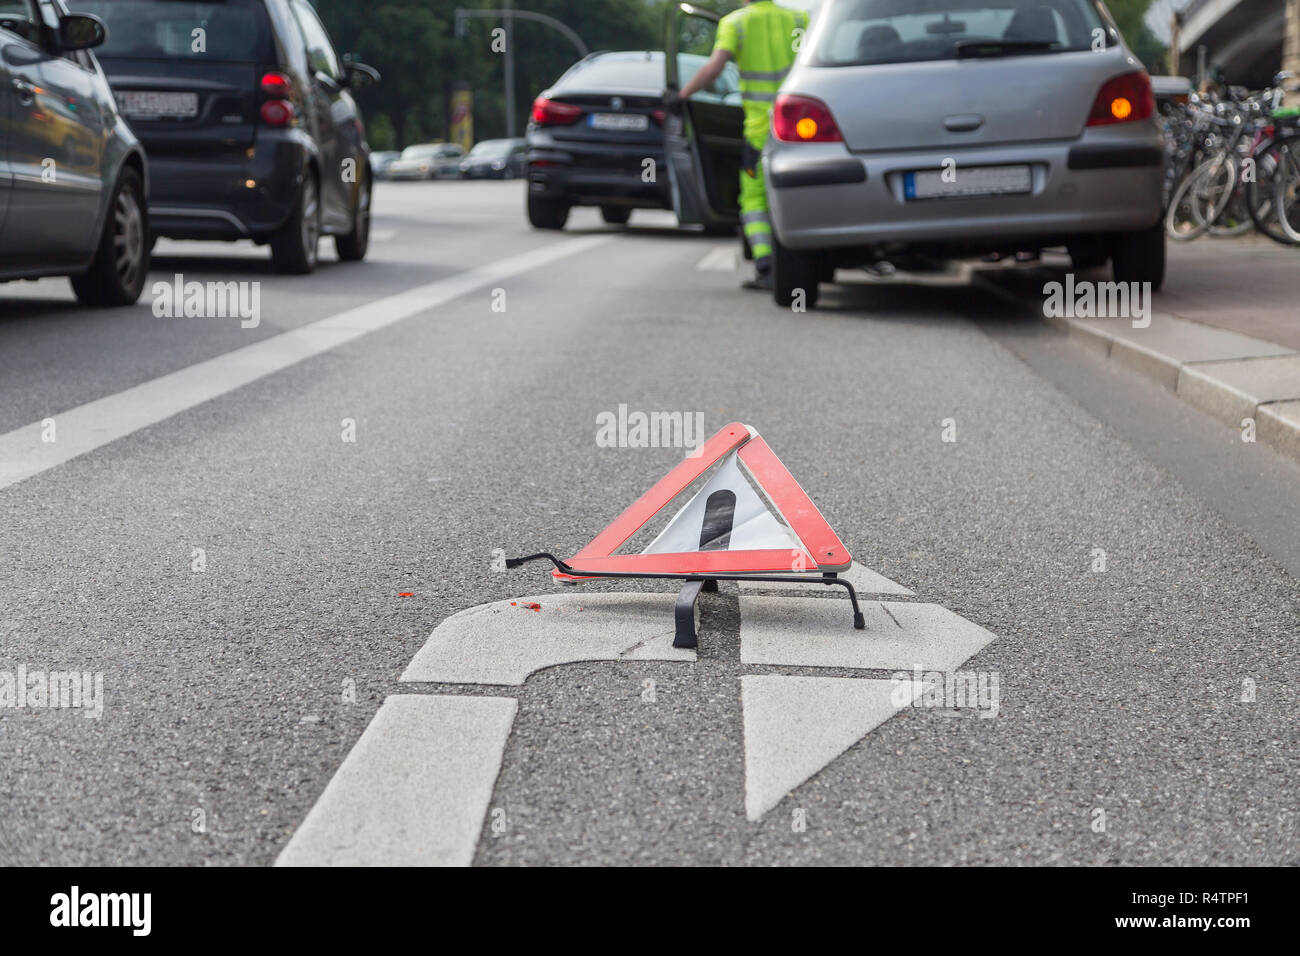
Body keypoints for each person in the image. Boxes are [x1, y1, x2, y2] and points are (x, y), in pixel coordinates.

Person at [667, 1, 809, 290]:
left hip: (759, 131)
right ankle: (810, 254)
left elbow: (714, 67)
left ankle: (766, 264)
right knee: (800, 190)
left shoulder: (736, 23)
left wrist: (682, 95)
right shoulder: (799, 18)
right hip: (800, 126)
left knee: (754, 199)